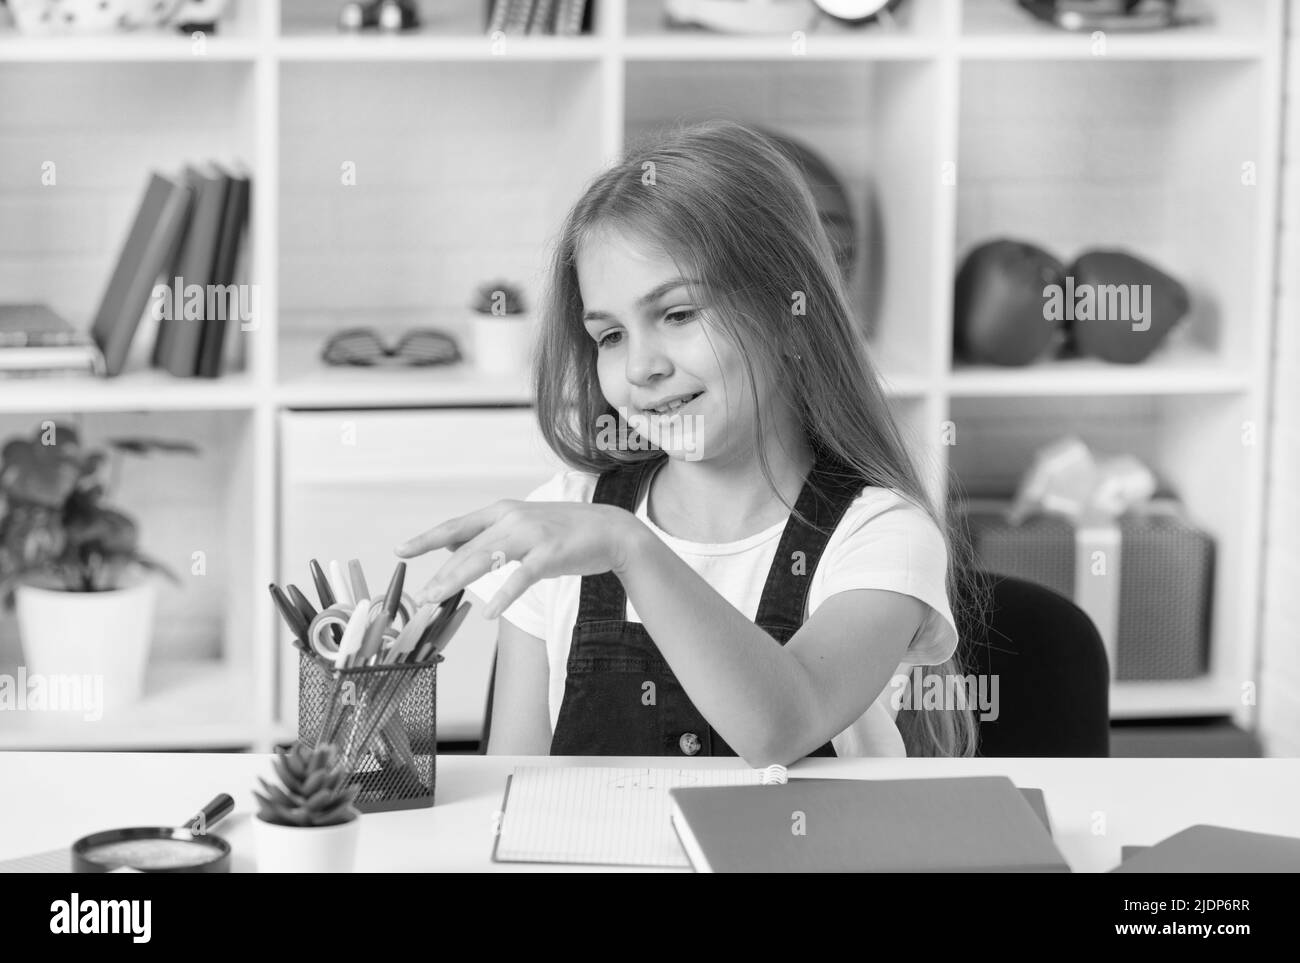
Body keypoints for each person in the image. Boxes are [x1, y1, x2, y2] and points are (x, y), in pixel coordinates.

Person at [396, 120, 988, 765]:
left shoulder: (878, 537)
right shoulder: (566, 515)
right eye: (610, 335)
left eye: (678, 315)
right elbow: (516, 784)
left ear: (790, 317)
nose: (640, 367)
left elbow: (785, 726)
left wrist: (630, 547)